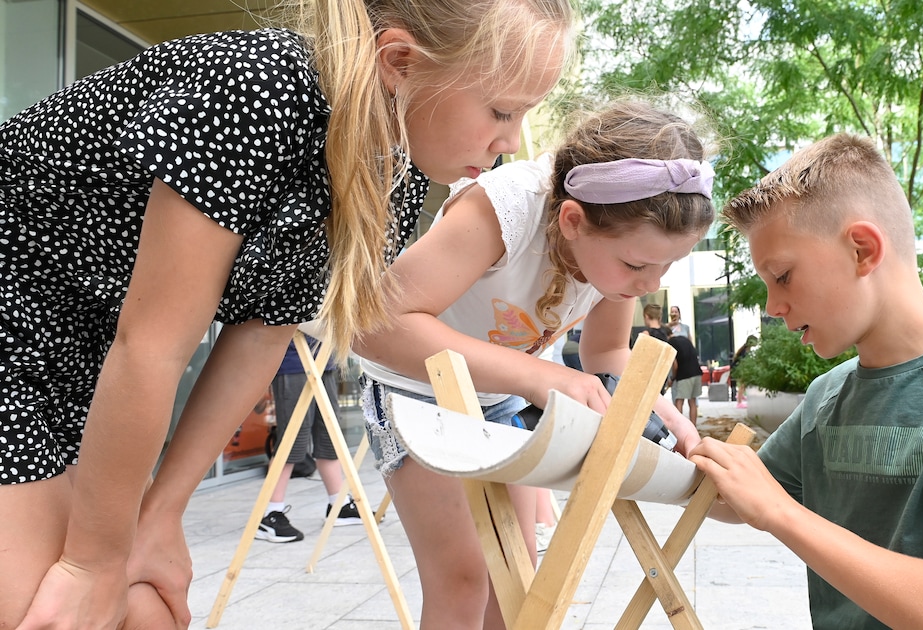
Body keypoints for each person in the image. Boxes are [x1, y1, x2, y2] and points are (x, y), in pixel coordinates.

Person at [0, 0, 574, 627]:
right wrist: (93, 562)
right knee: (56, 607)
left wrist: (160, 514)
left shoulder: (394, 173)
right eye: (502, 110)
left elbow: (262, 331)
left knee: (148, 606)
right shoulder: (256, 87)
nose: (511, 141)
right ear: (400, 61)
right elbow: (152, 346)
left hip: (85, 353)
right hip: (20, 311)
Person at [353, 99, 715, 629]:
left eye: (667, 265)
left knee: (516, 581)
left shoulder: (618, 246)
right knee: (465, 579)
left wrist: (673, 419)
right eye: (638, 265)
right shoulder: (506, 206)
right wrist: (540, 375)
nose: (649, 285)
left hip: (499, 398)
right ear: (572, 220)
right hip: (415, 391)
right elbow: (374, 324)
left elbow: (607, 354)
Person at [689, 133, 923, 629]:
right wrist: (647, 447)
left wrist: (780, 512)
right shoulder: (827, 395)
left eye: (781, 276)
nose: (773, 307)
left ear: (863, 250)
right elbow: (740, 497)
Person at [256, 336, 361, 544]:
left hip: (324, 359)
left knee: (329, 435)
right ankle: (270, 513)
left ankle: (338, 505)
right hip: (293, 362)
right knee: (292, 438)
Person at [666, 332, 703, 426]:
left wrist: (672, 378)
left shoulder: (671, 343)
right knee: (692, 401)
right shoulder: (684, 339)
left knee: (679, 400)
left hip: (684, 375)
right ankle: (693, 427)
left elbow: (675, 364)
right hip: (696, 372)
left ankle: (678, 427)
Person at [730, 334, 758, 408]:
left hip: (737, 367)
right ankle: (739, 402)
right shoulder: (745, 351)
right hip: (738, 368)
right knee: (743, 384)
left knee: (745, 383)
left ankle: (740, 396)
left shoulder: (746, 349)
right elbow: (743, 361)